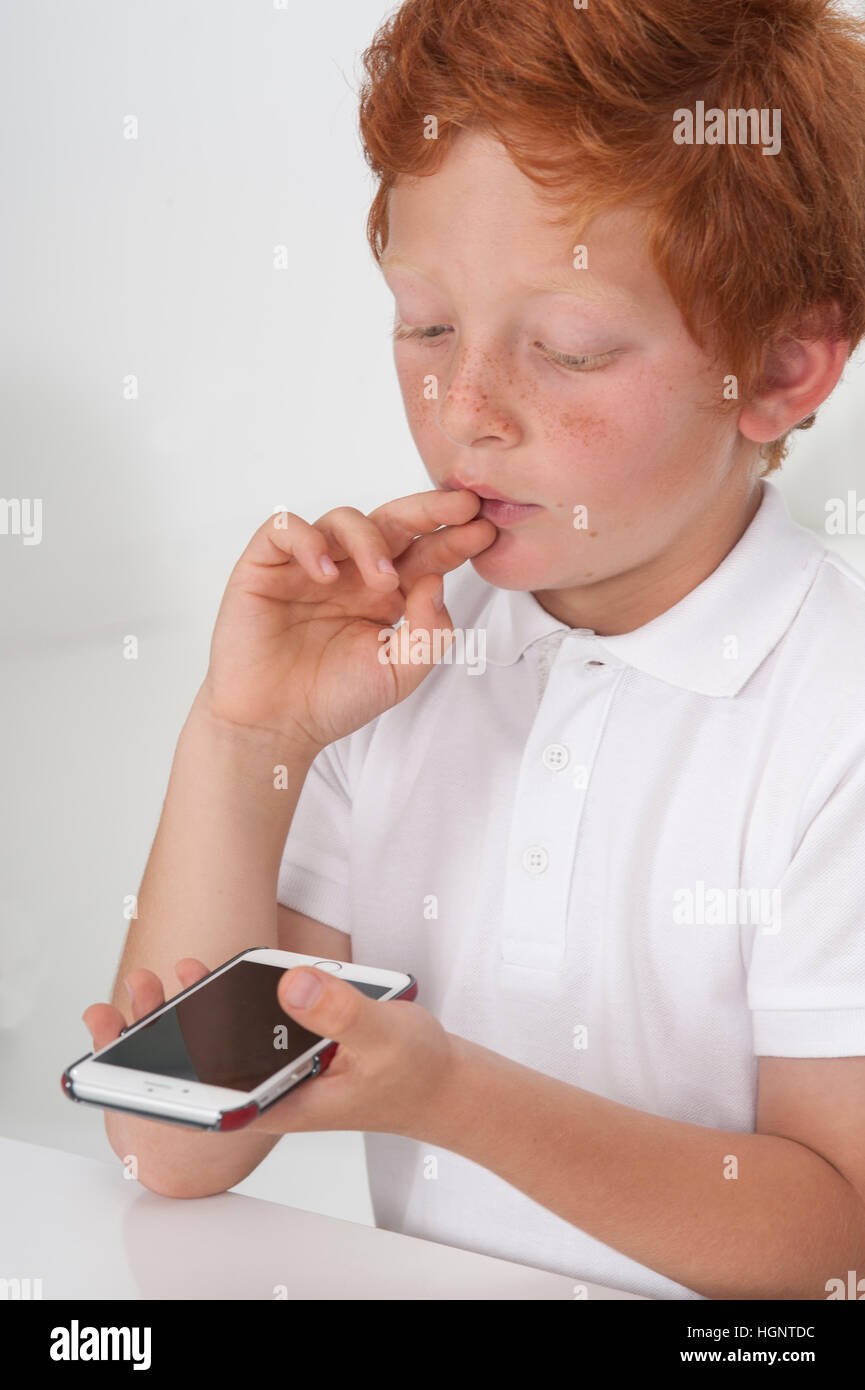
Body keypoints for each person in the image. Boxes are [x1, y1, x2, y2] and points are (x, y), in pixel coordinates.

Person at [82, 0, 865, 1299]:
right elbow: (170, 1149)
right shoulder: (405, 662)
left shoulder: (835, 712)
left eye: (564, 349)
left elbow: (835, 1244)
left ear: (782, 365)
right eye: (425, 326)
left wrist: (453, 1095)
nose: (462, 411)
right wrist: (248, 737)